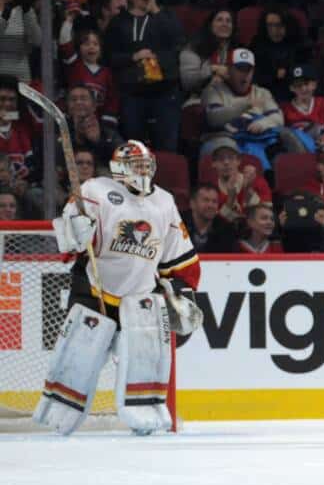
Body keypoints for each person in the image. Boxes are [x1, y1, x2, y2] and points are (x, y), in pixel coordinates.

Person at [35, 141, 202, 436]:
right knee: (80, 352)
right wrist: (76, 231)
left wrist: (182, 289)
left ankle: (145, 411)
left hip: (140, 299)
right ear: (119, 168)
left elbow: (178, 254)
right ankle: (59, 408)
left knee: (145, 358)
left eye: (146, 165)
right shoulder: (95, 191)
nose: (142, 171)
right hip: (94, 288)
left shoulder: (164, 202)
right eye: (136, 165)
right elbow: (67, 241)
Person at [104, 0, 184, 153]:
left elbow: (178, 42)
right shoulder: (119, 22)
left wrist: (155, 10)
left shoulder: (166, 16)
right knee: (135, 149)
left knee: (167, 148)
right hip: (132, 94)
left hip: (165, 93)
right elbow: (109, 57)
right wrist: (133, 57)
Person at [282, 63, 324, 150]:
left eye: (306, 84)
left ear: (314, 85)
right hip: (297, 153)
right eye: (298, 85)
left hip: (322, 150)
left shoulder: (323, 104)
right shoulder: (284, 109)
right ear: (291, 88)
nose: (303, 89)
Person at [0, 0, 41, 81]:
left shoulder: (25, 10)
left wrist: (27, 11)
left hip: (21, 74)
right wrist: (5, 15)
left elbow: (37, 41)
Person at [181, 182, 238, 253]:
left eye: (214, 201)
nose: (210, 205)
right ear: (192, 204)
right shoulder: (177, 226)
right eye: (206, 200)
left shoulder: (226, 231)